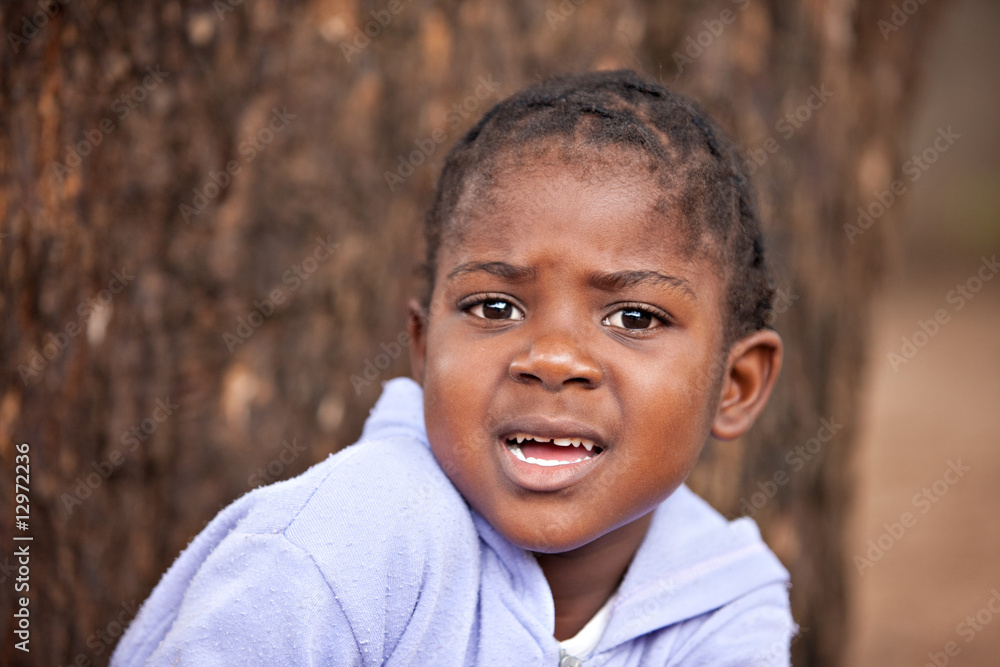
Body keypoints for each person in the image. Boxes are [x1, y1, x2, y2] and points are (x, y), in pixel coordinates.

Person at [112, 69, 794, 666]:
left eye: (635, 318)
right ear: (423, 345)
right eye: (494, 306)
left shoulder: (724, 598)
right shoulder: (336, 551)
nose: (552, 358)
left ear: (734, 386)